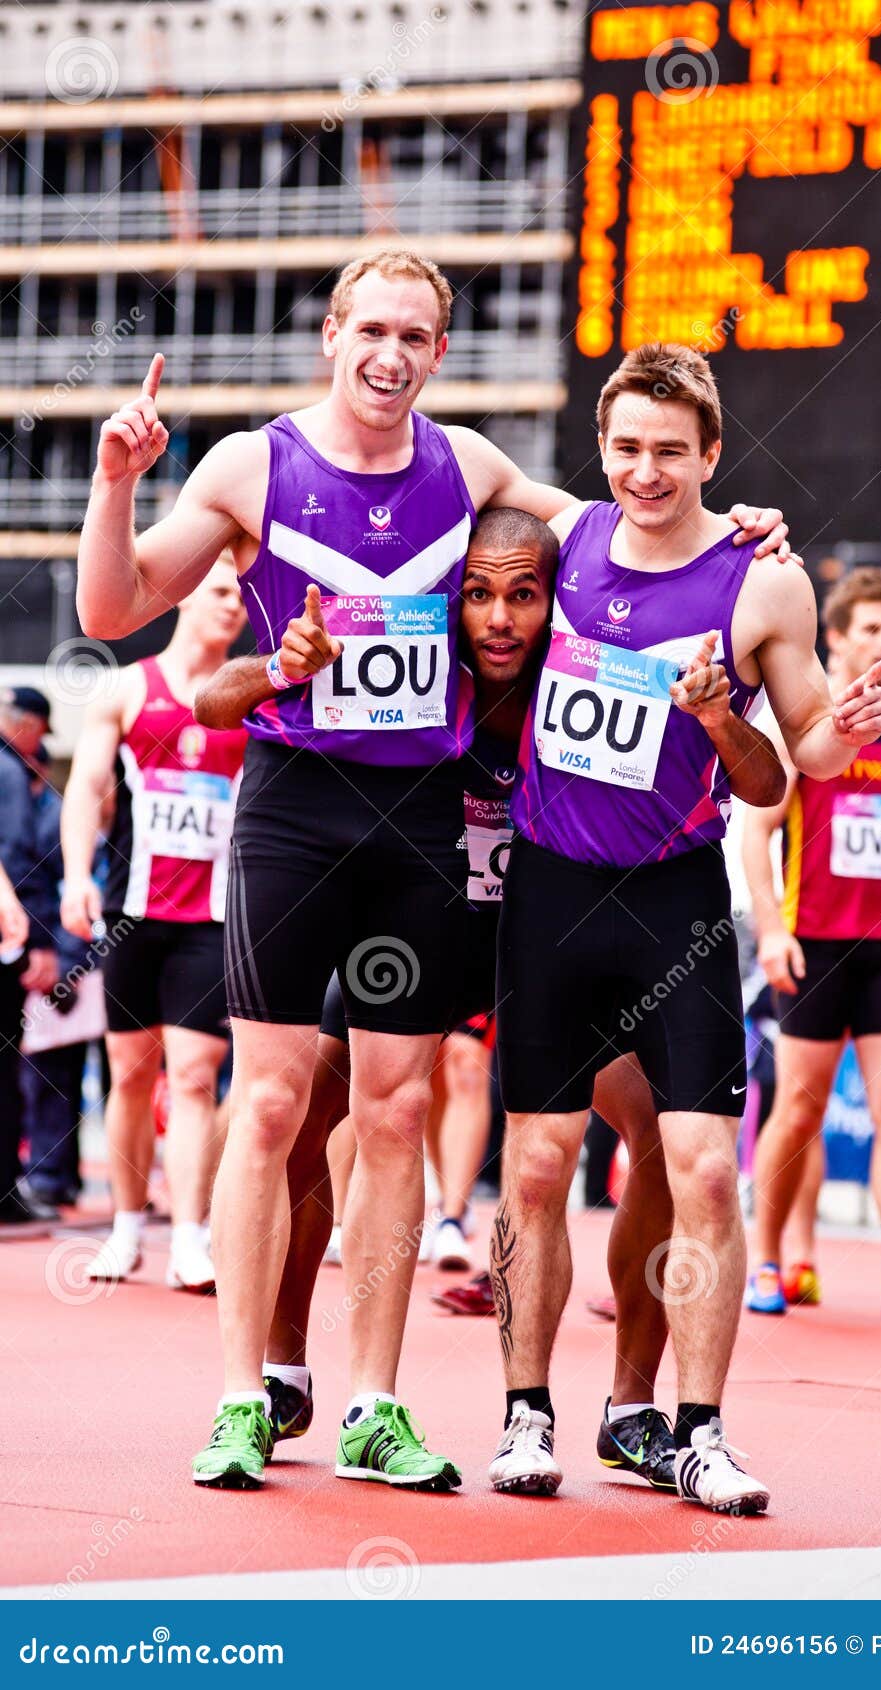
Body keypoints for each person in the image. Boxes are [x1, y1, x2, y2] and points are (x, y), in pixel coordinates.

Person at [75, 247, 795, 1490]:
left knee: (401, 1108)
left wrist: (735, 531)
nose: (390, 356)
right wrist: (115, 483)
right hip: (297, 809)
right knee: (274, 1102)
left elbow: (628, 526)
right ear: (332, 334)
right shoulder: (254, 464)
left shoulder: (467, 466)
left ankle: (376, 1403)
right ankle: (244, 1395)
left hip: (416, 817)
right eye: (371, 331)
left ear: (439, 352)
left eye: (416, 336)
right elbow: (115, 606)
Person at [194, 506, 788, 1490]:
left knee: (657, 1135)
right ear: (450, 598)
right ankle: (282, 1369)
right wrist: (285, 664)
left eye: (525, 594)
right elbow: (223, 692)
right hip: (425, 936)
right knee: (306, 1113)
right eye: (477, 594)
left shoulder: (592, 666)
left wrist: (731, 521)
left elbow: (638, 510)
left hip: (552, 934)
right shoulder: (416, 677)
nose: (501, 618)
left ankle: (633, 1407)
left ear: (560, 598)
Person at [489, 342, 881, 1513]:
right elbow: (452, 468)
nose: (647, 472)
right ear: (603, 449)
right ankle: (526, 1414)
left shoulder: (763, 582)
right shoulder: (559, 541)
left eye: (672, 451)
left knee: (706, 1171)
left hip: (675, 902)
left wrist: (767, 722)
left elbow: (788, 770)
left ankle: (697, 1429)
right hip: (553, 892)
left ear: (712, 454)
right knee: (537, 1163)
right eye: (627, 448)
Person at [741, 566, 881, 1330]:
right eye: (870, 629)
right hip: (814, 944)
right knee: (798, 1112)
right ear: (834, 639)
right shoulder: (808, 727)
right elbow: (755, 832)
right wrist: (770, 930)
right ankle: (766, 1258)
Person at [60, 556, 247, 1291]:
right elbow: (87, 790)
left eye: (241, 595)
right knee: (130, 1076)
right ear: (185, 598)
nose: (234, 605)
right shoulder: (126, 688)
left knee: (195, 1078)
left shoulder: (252, 696)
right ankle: (127, 1227)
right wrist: (76, 875)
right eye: (221, 592)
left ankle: (190, 1235)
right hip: (133, 913)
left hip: (216, 916)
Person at [0, 690, 60, 1227]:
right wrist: (40, 941)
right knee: (5, 1065)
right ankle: (3, 1188)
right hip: (7, 939)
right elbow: (21, 858)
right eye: (40, 730)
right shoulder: (9, 771)